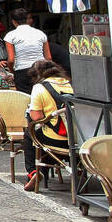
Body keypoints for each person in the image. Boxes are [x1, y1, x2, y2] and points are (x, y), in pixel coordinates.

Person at [22, 60, 74, 191]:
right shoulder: (70, 83)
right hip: (77, 140)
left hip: (55, 139)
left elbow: (36, 117)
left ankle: (34, 172)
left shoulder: (39, 87)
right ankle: (79, 172)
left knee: (29, 134)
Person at [3, 8, 51, 94]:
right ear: (27, 20)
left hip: (22, 72)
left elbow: (10, 60)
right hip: (40, 69)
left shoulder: (10, 36)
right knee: (42, 97)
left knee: (26, 99)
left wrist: (12, 71)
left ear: (13, 21)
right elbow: (49, 58)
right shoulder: (40, 33)